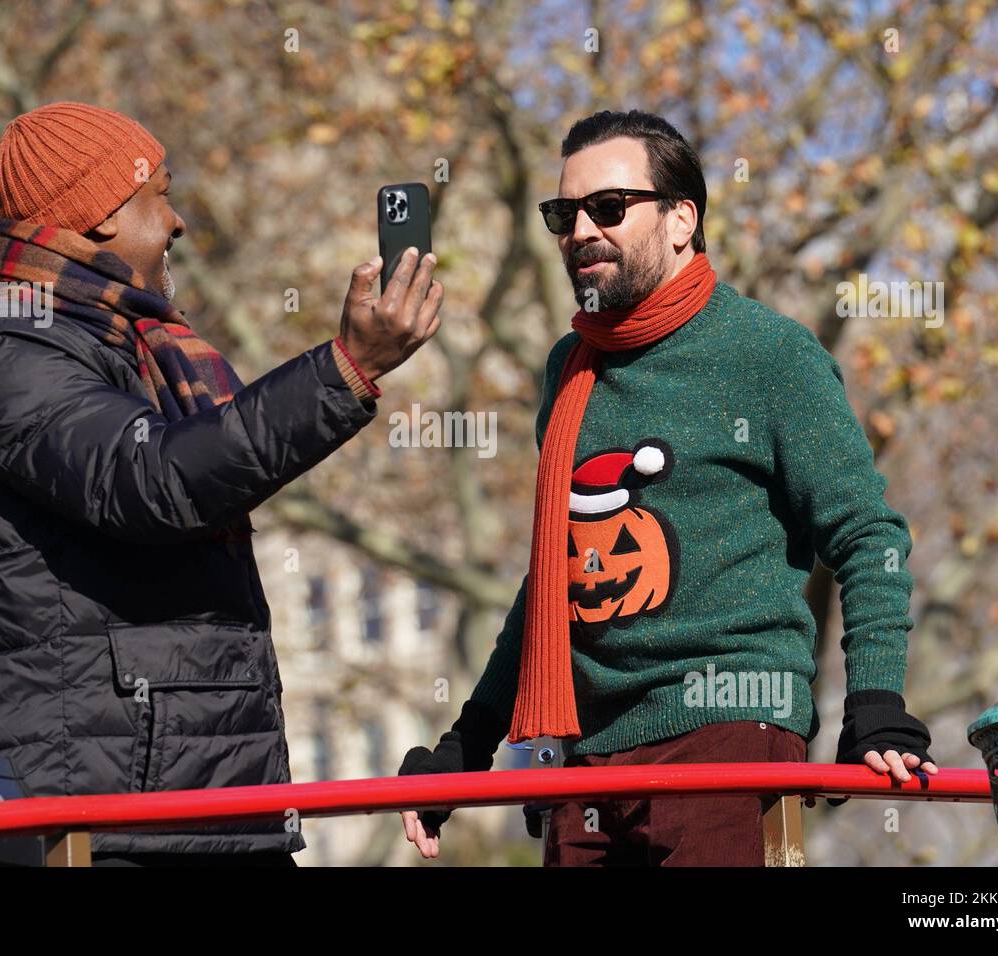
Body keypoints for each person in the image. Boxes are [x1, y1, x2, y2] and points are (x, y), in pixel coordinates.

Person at [0, 101, 442, 866]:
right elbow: (151, 478)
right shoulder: (1, 349)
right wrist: (346, 369)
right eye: (159, 192)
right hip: (97, 821)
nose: (178, 220)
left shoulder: (117, 346)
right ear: (95, 218)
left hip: (184, 801)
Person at [398, 109, 933, 866]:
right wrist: (467, 742)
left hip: (727, 731)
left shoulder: (768, 353)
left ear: (682, 219)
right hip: (580, 758)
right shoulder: (569, 369)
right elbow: (558, 574)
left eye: (609, 208)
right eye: (564, 213)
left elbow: (868, 535)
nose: (581, 229)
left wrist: (876, 701)